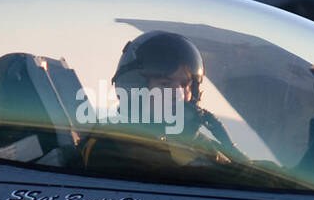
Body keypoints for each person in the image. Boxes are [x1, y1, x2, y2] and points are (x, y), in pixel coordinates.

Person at [82, 31, 245, 177]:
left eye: (185, 85)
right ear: (135, 88)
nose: (179, 94)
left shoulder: (192, 142)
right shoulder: (109, 145)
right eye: (165, 84)